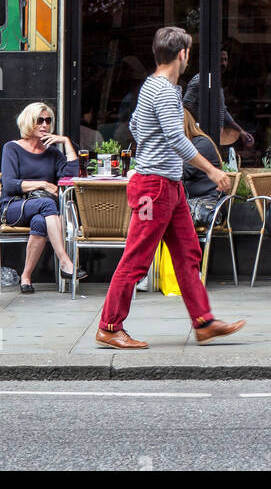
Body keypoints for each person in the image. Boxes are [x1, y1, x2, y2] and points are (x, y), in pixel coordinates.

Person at [96, 26, 246, 349]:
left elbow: (135, 125)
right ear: (183, 55)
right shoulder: (164, 91)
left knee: (188, 254)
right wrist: (212, 170)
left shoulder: (153, 86)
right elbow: (178, 139)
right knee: (136, 259)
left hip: (170, 187)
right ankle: (109, 326)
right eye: (188, 53)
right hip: (155, 187)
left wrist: (152, 145)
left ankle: (203, 323)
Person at [0, 103, 80, 292]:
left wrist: (66, 143)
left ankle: (26, 276)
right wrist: (43, 184)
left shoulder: (52, 152)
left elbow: (70, 176)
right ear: (29, 122)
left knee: (40, 221)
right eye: (39, 120)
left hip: (43, 210)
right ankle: (64, 261)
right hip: (14, 207)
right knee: (47, 204)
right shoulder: (12, 148)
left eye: (48, 120)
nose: (44, 125)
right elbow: (10, 184)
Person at [183, 48, 254, 153]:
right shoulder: (201, 79)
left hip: (214, 131)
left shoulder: (216, 81)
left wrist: (241, 131)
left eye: (225, 60)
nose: (223, 63)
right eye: (220, 60)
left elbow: (222, 110)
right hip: (202, 131)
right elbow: (186, 104)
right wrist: (202, 121)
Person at [181, 108, 224, 226]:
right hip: (188, 202)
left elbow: (182, 171)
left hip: (204, 204)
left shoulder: (201, 144)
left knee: (160, 213)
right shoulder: (186, 146)